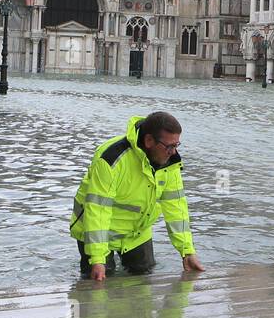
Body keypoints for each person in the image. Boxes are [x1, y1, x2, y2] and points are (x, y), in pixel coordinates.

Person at [70, 111, 204, 280]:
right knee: (97, 283)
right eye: (169, 146)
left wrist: (187, 251)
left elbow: (176, 208)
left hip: (136, 233)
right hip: (95, 230)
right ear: (149, 141)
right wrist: (97, 259)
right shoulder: (112, 159)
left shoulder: (170, 164)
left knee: (144, 276)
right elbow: (98, 210)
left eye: (177, 145)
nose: (173, 152)